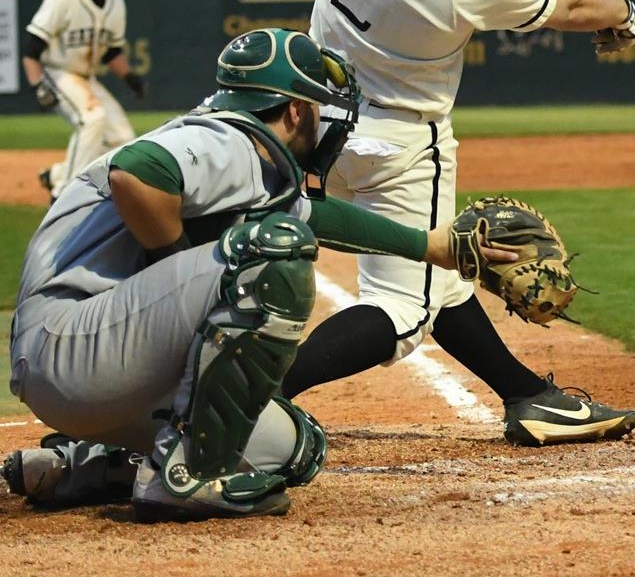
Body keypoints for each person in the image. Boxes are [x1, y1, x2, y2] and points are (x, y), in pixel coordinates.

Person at [3, 29, 516, 520]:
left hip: (97, 369)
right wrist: (174, 261)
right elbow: (137, 172)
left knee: (293, 448)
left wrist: (431, 246)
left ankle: (88, 463)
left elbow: (318, 216)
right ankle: (187, 477)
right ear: (294, 109)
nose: (325, 122)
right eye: (317, 107)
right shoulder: (228, 138)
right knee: (274, 252)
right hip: (71, 345)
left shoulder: (248, 156)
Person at [279, 0, 635, 447]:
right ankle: (257, 394)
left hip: (305, 116)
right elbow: (575, 8)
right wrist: (624, 12)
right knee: (404, 309)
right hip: (396, 144)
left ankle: (526, 395)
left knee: (439, 276)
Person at [21, 0, 146, 198]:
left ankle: (57, 174)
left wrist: (129, 77)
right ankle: (63, 194)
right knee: (92, 119)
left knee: (122, 138)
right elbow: (32, 48)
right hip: (57, 72)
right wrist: (38, 85)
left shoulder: (116, 3)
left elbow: (111, 52)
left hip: (85, 78)